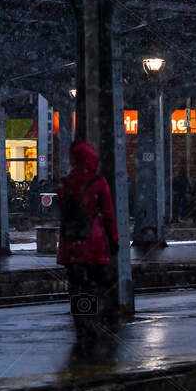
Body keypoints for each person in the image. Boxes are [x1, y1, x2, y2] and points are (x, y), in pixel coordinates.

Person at [56, 140, 119, 347]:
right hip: (93, 244)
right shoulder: (98, 182)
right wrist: (114, 240)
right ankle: (90, 321)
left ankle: (80, 322)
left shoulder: (64, 183)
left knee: (76, 285)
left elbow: (63, 211)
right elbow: (108, 214)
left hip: (70, 244)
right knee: (94, 285)